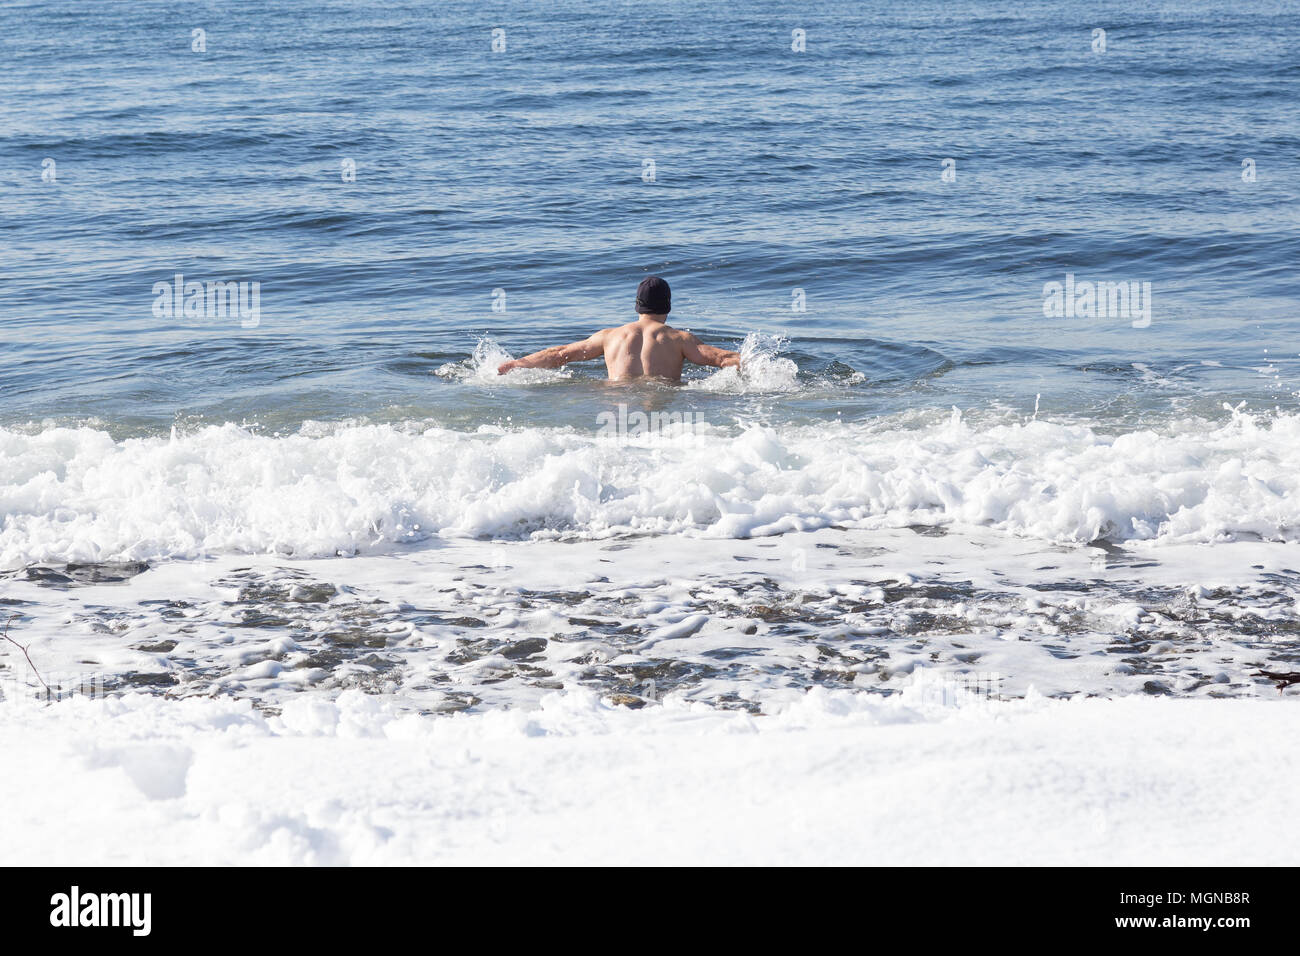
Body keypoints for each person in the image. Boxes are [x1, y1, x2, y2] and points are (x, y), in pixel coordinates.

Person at [496, 276, 740, 381]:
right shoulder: (678, 339)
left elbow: (561, 355)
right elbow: (720, 359)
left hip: (616, 401)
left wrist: (518, 364)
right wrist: (755, 362)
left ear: (637, 306)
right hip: (661, 404)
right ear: (668, 305)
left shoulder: (608, 336)